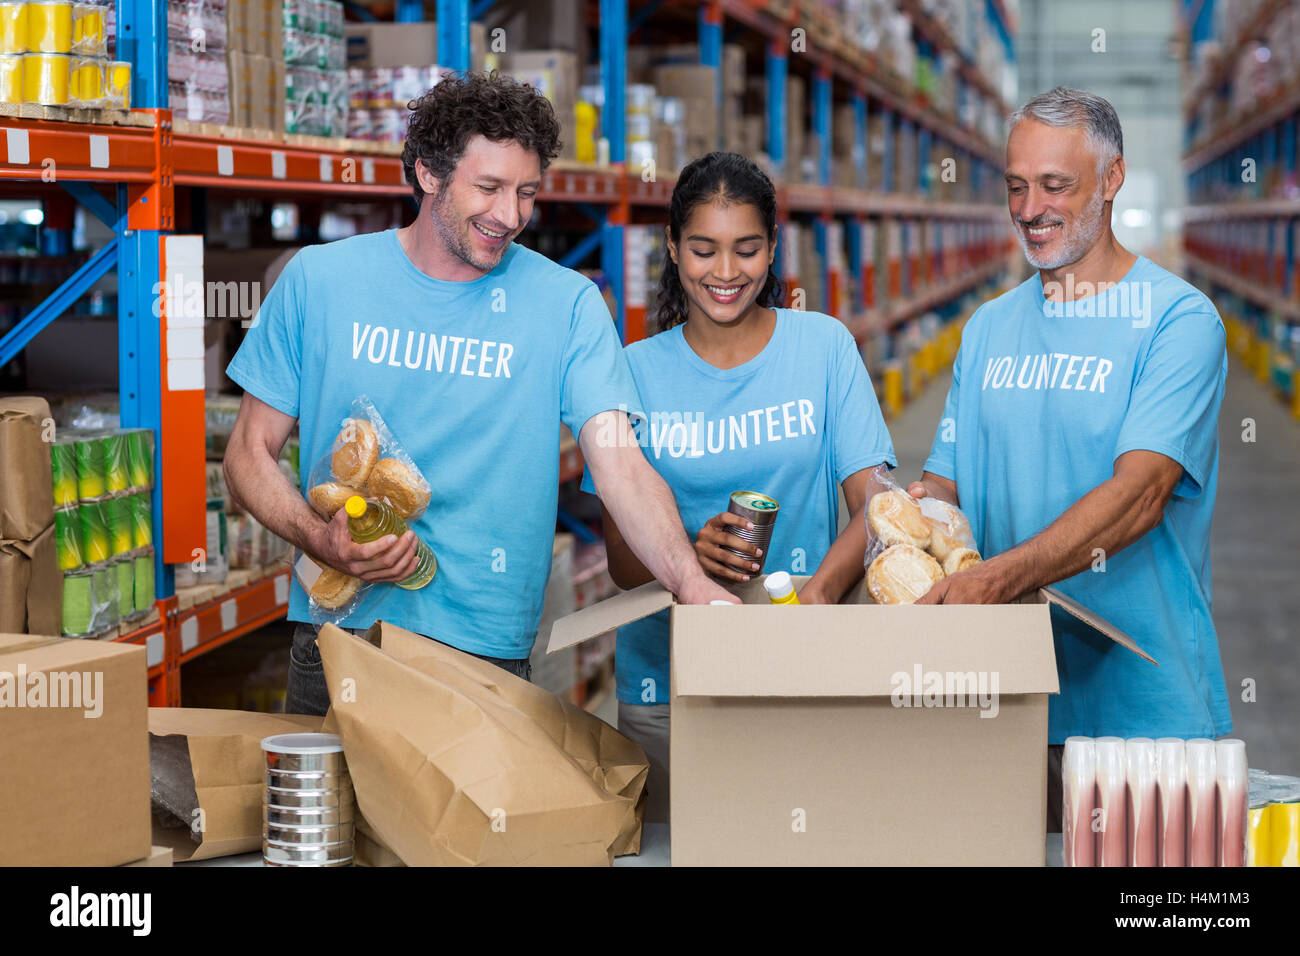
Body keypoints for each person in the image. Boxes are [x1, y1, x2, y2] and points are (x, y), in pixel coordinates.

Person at [223, 72, 735, 716]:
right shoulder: (319, 282)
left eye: (526, 193)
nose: (511, 216)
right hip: (338, 639)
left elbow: (621, 465)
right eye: (488, 188)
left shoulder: (567, 304)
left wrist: (690, 581)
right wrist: (319, 539)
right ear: (428, 174)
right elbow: (245, 457)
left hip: (485, 654)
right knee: (329, 817)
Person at [907, 88, 1230, 829]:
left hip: (1142, 719)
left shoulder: (1177, 322)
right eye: (1017, 186)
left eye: (1056, 185)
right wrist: (858, 550)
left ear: (1112, 179)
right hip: (1005, 701)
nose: (1030, 208)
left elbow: (1142, 494)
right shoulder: (988, 329)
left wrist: (995, 578)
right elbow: (941, 488)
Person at [581, 152, 897, 823]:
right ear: (671, 247)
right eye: (702, 249)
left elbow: (877, 508)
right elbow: (619, 562)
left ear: (773, 248)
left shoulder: (824, 348)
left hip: (811, 668)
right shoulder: (629, 373)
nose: (725, 273)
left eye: (747, 249)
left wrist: (816, 597)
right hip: (671, 685)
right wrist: (688, 555)